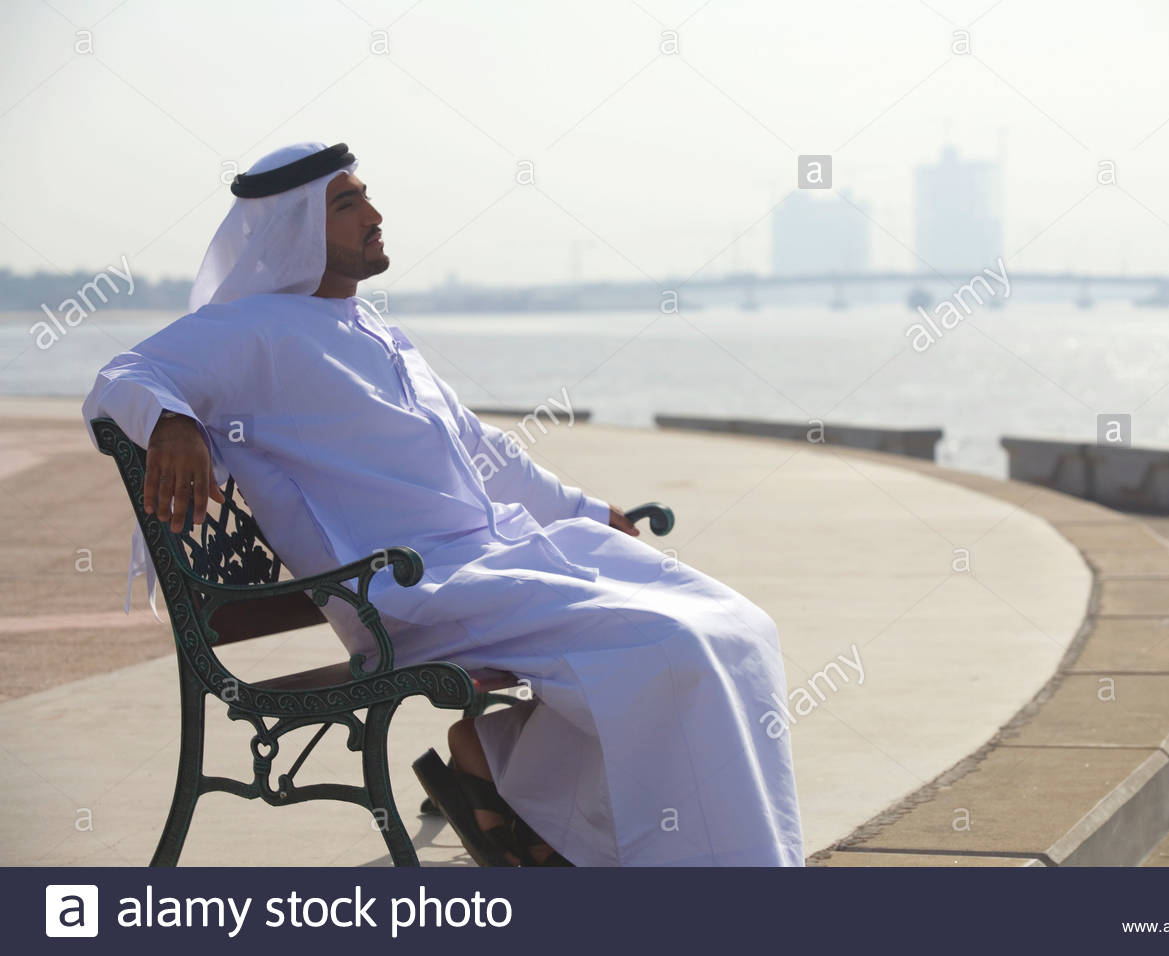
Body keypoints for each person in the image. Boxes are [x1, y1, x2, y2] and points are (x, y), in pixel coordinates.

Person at [82, 142, 804, 867]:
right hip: (410, 595)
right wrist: (171, 421)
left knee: (741, 628)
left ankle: (512, 766)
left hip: (498, 562)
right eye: (347, 204)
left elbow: (484, 453)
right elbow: (125, 373)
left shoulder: (376, 331)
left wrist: (589, 515)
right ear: (291, 230)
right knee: (671, 651)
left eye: (366, 196)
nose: (375, 215)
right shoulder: (252, 330)